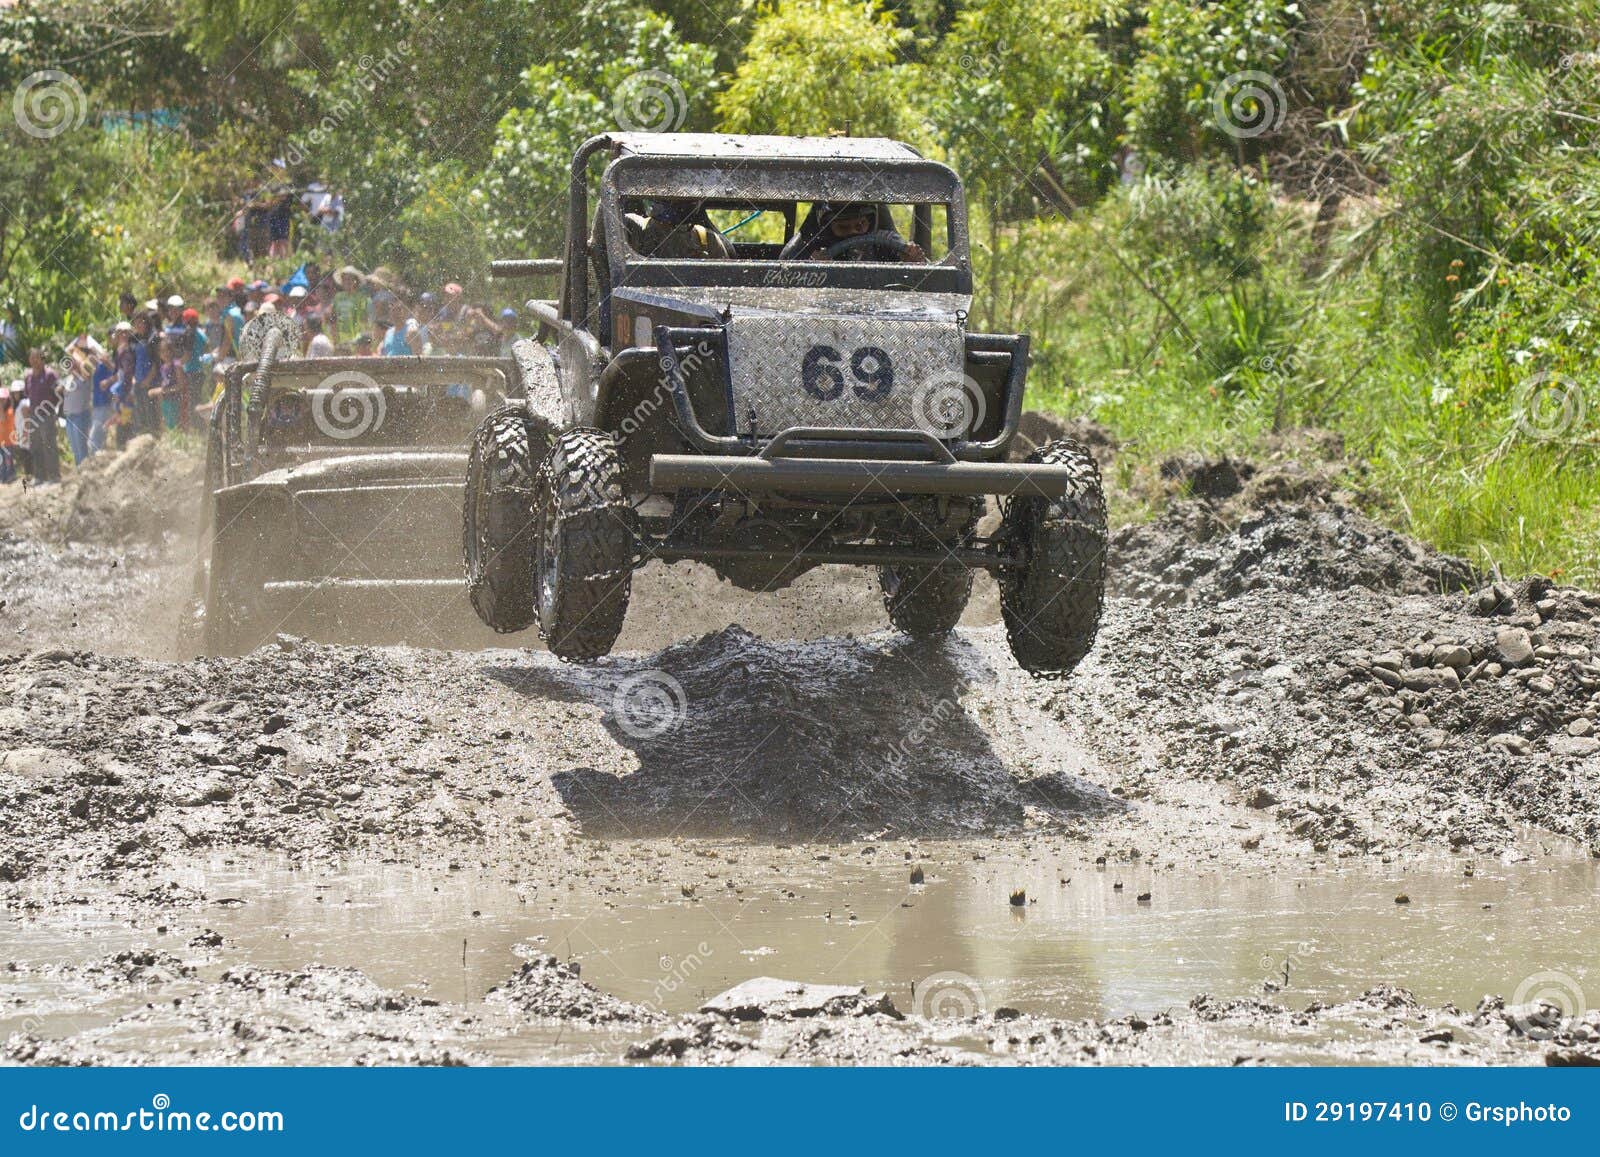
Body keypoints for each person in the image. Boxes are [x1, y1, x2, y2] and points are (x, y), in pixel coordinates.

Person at [781, 201, 927, 263]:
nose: (853, 233)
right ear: (827, 228)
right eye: (843, 228)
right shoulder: (809, 251)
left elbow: (916, 289)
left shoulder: (888, 244)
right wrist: (812, 271)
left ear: (871, 222)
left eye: (860, 225)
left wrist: (910, 261)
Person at [23, 348, 62, 483]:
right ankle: (40, 477)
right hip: (33, 416)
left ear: (42, 359)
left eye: (37, 358)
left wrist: (53, 408)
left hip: (47, 415)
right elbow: (27, 395)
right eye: (32, 358)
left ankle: (54, 476)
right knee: (36, 446)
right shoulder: (28, 376)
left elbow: (59, 393)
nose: (34, 361)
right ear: (29, 360)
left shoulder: (50, 374)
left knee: (49, 445)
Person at [61, 342, 95, 464]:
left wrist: (77, 359)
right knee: (75, 450)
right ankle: (79, 476)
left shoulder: (84, 377)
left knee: (82, 449)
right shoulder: (69, 379)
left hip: (80, 416)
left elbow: (86, 369)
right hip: (69, 417)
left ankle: (85, 475)